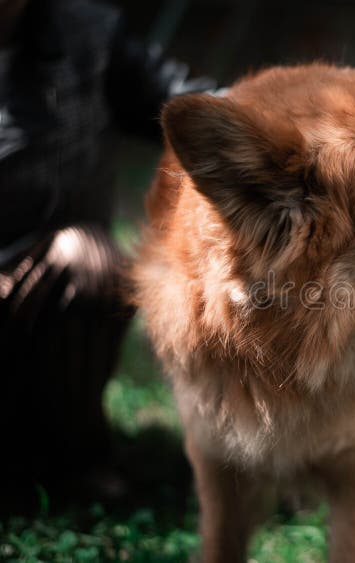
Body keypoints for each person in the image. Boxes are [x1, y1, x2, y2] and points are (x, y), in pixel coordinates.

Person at [0, 0, 214, 507]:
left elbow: (191, 104)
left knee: (88, 259)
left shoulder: (88, 35)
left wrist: (288, 118)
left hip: (36, 296)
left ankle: (75, 459)